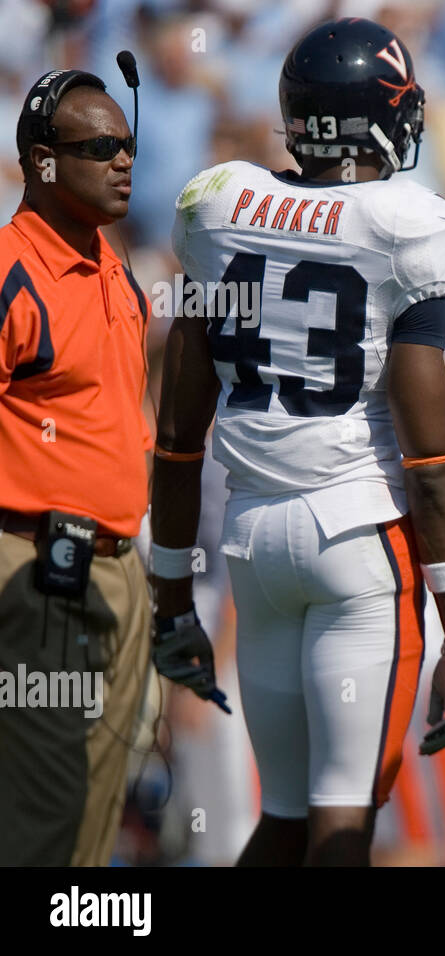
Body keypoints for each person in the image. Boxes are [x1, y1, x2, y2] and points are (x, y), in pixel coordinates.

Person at [154, 18, 445, 867]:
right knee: (343, 821)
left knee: (285, 818)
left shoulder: (218, 206)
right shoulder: (409, 225)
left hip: (255, 547)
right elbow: (433, 464)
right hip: (357, 543)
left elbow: (177, 440)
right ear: (378, 118)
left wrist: (169, 600)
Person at [0, 67, 152, 865]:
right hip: (35, 566)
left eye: (128, 145)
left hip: (117, 567)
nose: (123, 161)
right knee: (44, 815)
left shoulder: (113, 264)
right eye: (99, 146)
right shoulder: (9, 269)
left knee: (95, 813)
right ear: (41, 162)